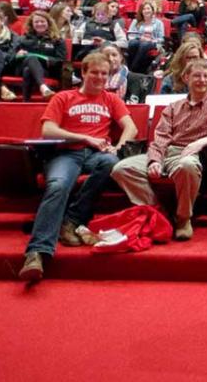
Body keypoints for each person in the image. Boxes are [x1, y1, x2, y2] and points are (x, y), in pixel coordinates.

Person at [18, 52, 138, 281]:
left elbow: (130, 127)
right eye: (94, 72)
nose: (100, 77)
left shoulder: (111, 99)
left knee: (111, 163)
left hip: (97, 156)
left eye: (104, 73)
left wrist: (119, 147)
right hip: (65, 154)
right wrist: (84, 138)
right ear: (83, 73)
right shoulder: (63, 97)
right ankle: (37, 253)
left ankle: (71, 219)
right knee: (58, 185)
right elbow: (48, 130)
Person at [113, 58, 207, 241]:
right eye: (197, 76)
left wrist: (200, 142)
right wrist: (155, 160)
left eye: (206, 76)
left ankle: (183, 218)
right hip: (167, 152)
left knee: (186, 165)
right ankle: (156, 210)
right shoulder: (173, 107)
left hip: (193, 154)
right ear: (186, 78)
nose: (202, 80)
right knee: (121, 169)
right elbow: (160, 137)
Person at [10, 11, 67, 100]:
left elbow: (61, 60)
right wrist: (17, 55)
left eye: (42, 21)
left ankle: (26, 102)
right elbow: (10, 57)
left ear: (48, 23)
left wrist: (46, 59)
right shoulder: (23, 39)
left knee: (28, 70)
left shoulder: (57, 40)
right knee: (30, 59)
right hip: (20, 68)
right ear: (32, 24)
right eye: (36, 22)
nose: (39, 24)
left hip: (46, 70)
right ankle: (43, 87)